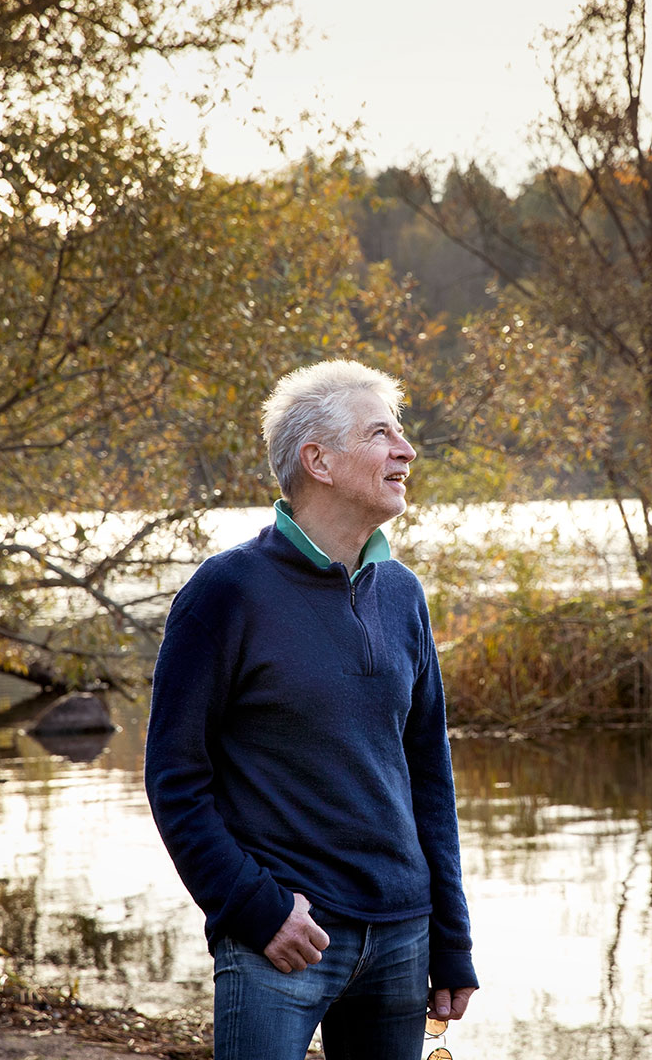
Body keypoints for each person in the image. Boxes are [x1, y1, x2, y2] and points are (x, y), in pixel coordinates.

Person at [145, 360, 477, 1060]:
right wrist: (254, 909)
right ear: (318, 460)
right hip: (285, 939)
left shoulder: (403, 593)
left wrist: (450, 937)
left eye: (401, 434)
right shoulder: (225, 592)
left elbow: (429, 778)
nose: (406, 451)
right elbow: (175, 778)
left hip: (402, 935)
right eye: (382, 433)